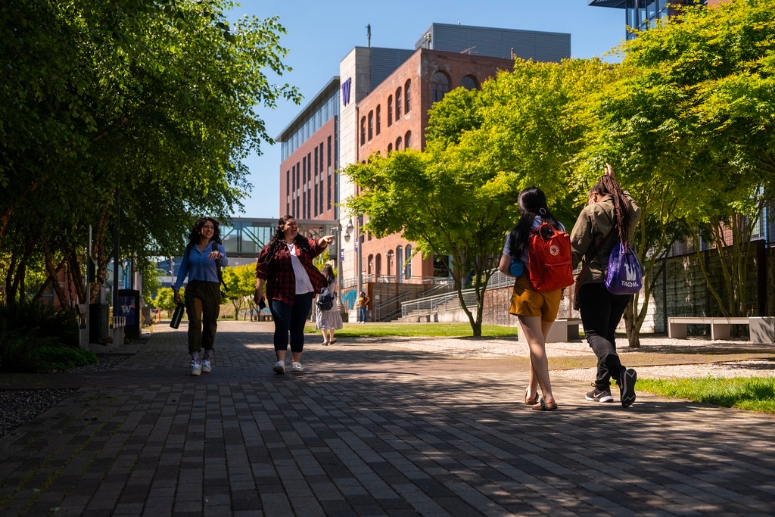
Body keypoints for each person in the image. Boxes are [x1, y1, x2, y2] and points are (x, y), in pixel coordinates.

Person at [570, 164, 642, 407]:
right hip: (623, 283)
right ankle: (602, 389)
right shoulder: (629, 210)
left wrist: (559, 278)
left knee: (594, 334)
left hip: (597, 280)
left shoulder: (592, 212)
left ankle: (620, 373)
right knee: (607, 334)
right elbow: (630, 202)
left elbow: (574, 249)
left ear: (594, 195)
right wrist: (614, 181)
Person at [498, 187, 564, 411]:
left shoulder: (517, 231)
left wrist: (518, 271)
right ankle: (531, 392)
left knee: (536, 344)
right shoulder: (558, 226)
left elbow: (503, 267)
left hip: (528, 289)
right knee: (539, 345)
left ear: (522, 206)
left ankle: (548, 396)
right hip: (554, 290)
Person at [255, 215, 333, 374]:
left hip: (303, 292)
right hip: (279, 292)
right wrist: (258, 291)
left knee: (298, 328)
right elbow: (262, 272)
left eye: (295, 224)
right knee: (282, 326)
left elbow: (316, 246)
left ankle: (296, 362)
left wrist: (323, 239)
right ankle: (281, 361)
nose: (294, 227)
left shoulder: (303, 244)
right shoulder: (271, 248)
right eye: (290, 224)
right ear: (282, 227)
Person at [173, 217, 228, 376]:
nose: (209, 229)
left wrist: (218, 254)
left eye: (211, 227)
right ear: (199, 229)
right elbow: (183, 269)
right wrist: (176, 289)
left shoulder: (217, 247)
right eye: (205, 227)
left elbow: (225, 263)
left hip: (212, 288)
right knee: (195, 322)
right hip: (194, 288)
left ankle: (206, 357)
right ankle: (195, 359)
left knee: (210, 323)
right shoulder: (191, 248)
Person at [315, 264, 343, 345]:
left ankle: (325, 340)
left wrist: (316, 299)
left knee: (323, 319)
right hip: (331, 301)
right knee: (332, 320)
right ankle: (331, 338)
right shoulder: (334, 279)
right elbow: (336, 290)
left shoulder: (320, 279)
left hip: (321, 300)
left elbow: (317, 289)